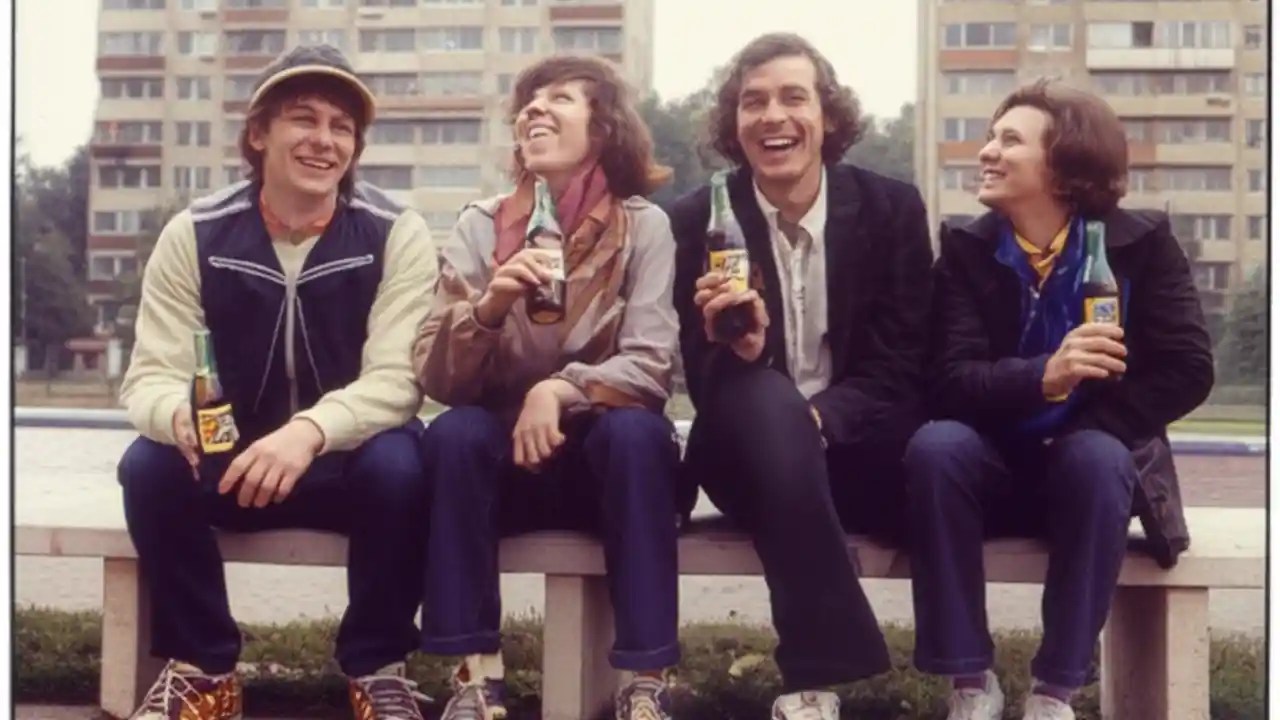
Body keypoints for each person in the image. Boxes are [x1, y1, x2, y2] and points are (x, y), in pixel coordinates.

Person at [116, 44, 436, 720]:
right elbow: (149, 375)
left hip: (344, 462)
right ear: (258, 133)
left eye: (341, 127)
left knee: (403, 464)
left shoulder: (394, 232)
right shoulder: (195, 233)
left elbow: (398, 380)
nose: (324, 141)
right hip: (232, 460)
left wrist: (308, 433)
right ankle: (205, 671)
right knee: (148, 466)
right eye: (303, 119)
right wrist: (176, 415)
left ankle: (377, 668)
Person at [905, 80, 1214, 720]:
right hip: (991, 467)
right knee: (936, 446)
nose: (987, 152)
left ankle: (1054, 692)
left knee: (1098, 459)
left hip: (1087, 478)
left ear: (1065, 164)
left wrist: (1081, 429)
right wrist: (1043, 376)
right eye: (991, 137)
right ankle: (970, 684)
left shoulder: (1141, 243)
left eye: (1008, 140)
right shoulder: (965, 249)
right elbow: (947, 380)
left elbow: (1188, 368)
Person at [665, 33, 934, 719]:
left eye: (793, 97)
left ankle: (817, 681)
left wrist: (817, 421)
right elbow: (701, 375)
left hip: (857, 454)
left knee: (799, 421)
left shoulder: (890, 209)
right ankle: (816, 670)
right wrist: (751, 352)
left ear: (829, 116)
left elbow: (900, 364)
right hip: (744, 457)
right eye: (752, 102)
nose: (772, 117)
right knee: (762, 401)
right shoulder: (696, 219)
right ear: (734, 125)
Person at [412, 54, 682, 720]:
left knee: (637, 433)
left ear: (603, 129)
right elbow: (438, 377)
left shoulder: (643, 227)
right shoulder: (482, 227)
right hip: (505, 471)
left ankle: (646, 681)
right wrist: (488, 309)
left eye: (560, 99)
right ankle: (475, 676)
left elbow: (652, 366)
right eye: (529, 102)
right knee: (454, 433)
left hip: (605, 470)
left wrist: (558, 390)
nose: (534, 109)